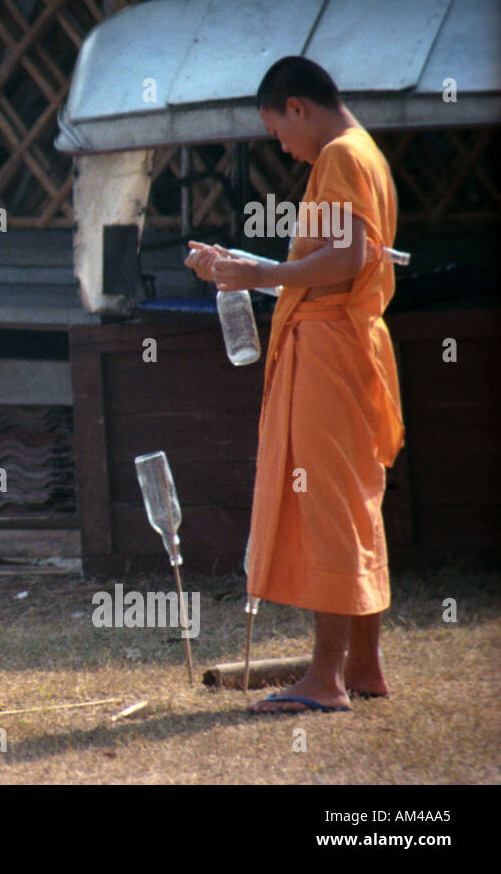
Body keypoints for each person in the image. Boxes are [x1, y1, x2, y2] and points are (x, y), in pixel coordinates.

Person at [185, 56, 405, 715]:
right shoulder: (365, 153)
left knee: (331, 506)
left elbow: (346, 261)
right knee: (353, 501)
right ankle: (362, 665)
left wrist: (256, 275)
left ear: (299, 107)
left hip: (331, 351)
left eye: (278, 130)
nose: (282, 145)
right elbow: (343, 257)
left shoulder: (341, 155)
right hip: (343, 346)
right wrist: (247, 266)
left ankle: (325, 680)